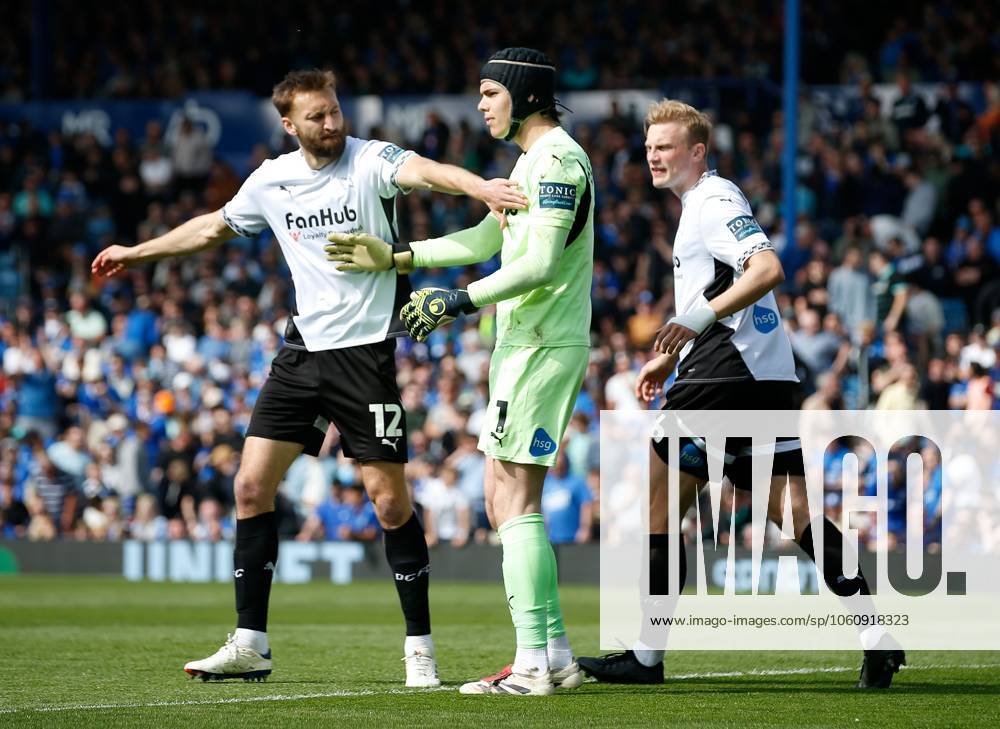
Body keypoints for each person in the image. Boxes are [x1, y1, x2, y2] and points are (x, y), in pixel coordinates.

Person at [91, 68, 527, 687]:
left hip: (363, 357)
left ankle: (419, 650)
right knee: (249, 488)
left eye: (335, 111)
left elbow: (429, 171)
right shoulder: (272, 180)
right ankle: (250, 644)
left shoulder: (370, 160)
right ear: (290, 124)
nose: (331, 123)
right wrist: (138, 252)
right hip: (300, 356)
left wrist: (481, 186)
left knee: (388, 503)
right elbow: (213, 226)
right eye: (317, 116)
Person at [576, 99, 905, 689]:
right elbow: (728, 288)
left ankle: (647, 658)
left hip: (723, 378)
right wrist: (670, 353)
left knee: (661, 502)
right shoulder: (702, 205)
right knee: (797, 514)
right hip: (765, 377)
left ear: (697, 152)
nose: (653, 155)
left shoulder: (713, 200)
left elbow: (766, 269)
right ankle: (876, 634)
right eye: (649, 147)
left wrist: (693, 323)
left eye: (666, 146)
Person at [326, 47, 592, 696]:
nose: (479, 104)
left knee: (510, 497)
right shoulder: (530, 162)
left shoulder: (557, 159)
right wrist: (393, 256)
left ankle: (533, 663)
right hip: (524, 345)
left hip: (541, 343)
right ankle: (553, 651)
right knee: (503, 496)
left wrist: (458, 299)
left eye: (489, 93)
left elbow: (540, 266)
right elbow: (482, 241)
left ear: (525, 95)